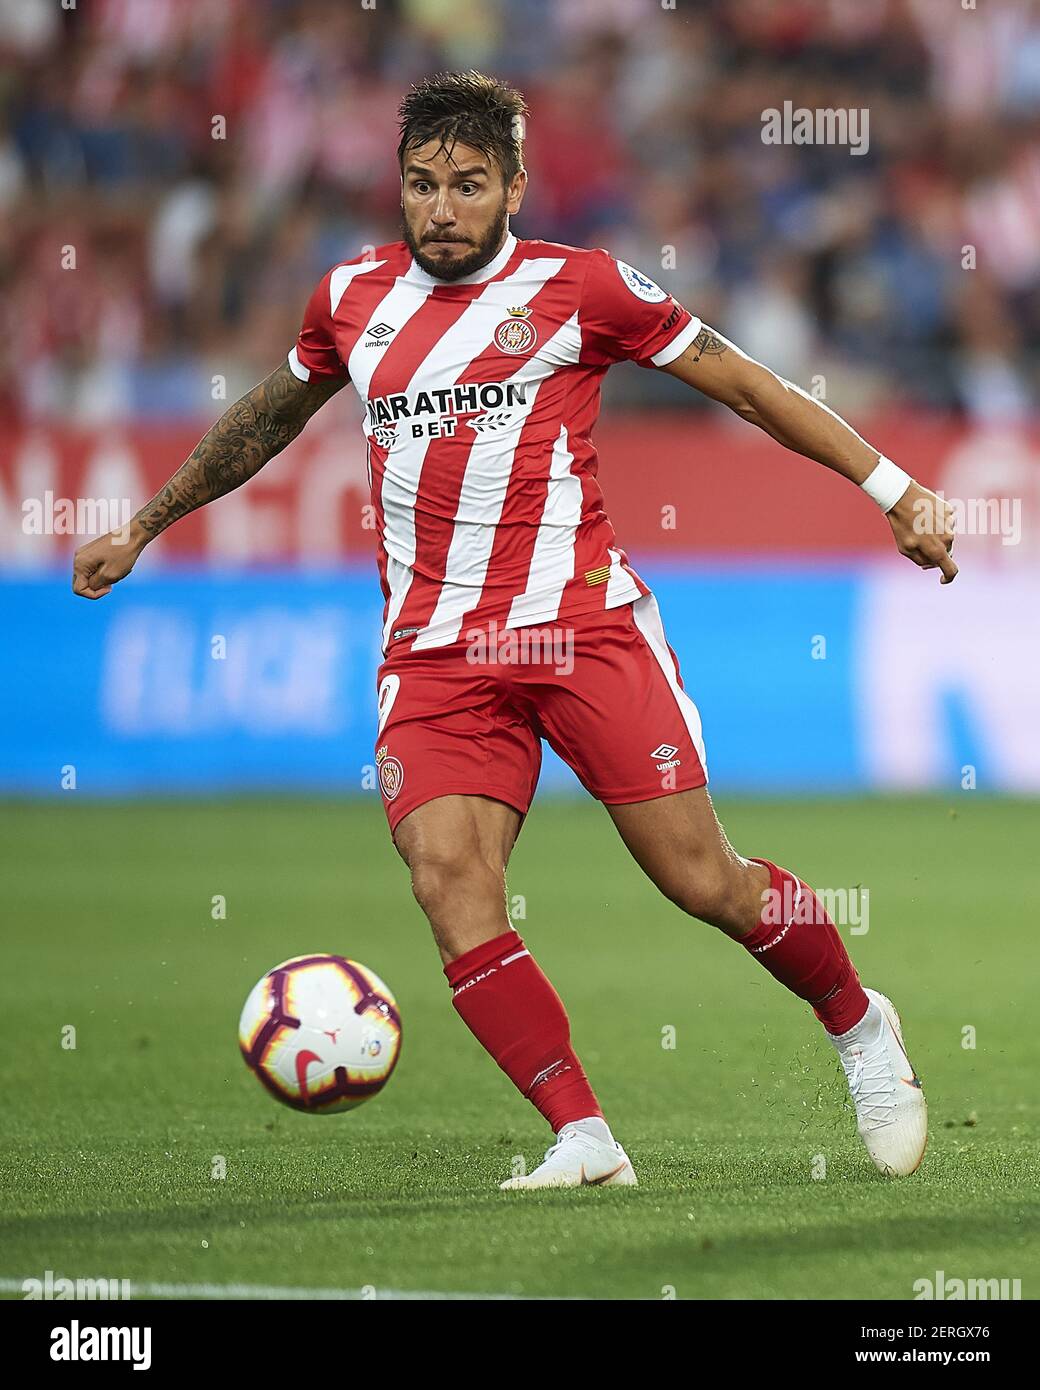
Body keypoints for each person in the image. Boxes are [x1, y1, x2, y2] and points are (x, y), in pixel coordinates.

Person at [73, 72, 956, 1190]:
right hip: (436, 656)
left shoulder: (580, 288)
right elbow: (267, 416)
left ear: (513, 188)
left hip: (580, 630)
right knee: (449, 882)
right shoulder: (349, 299)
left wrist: (894, 489)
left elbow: (742, 383)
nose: (439, 208)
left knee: (702, 880)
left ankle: (856, 1021)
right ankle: (583, 1135)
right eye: (421, 184)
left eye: (466, 185)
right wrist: (145, 526)